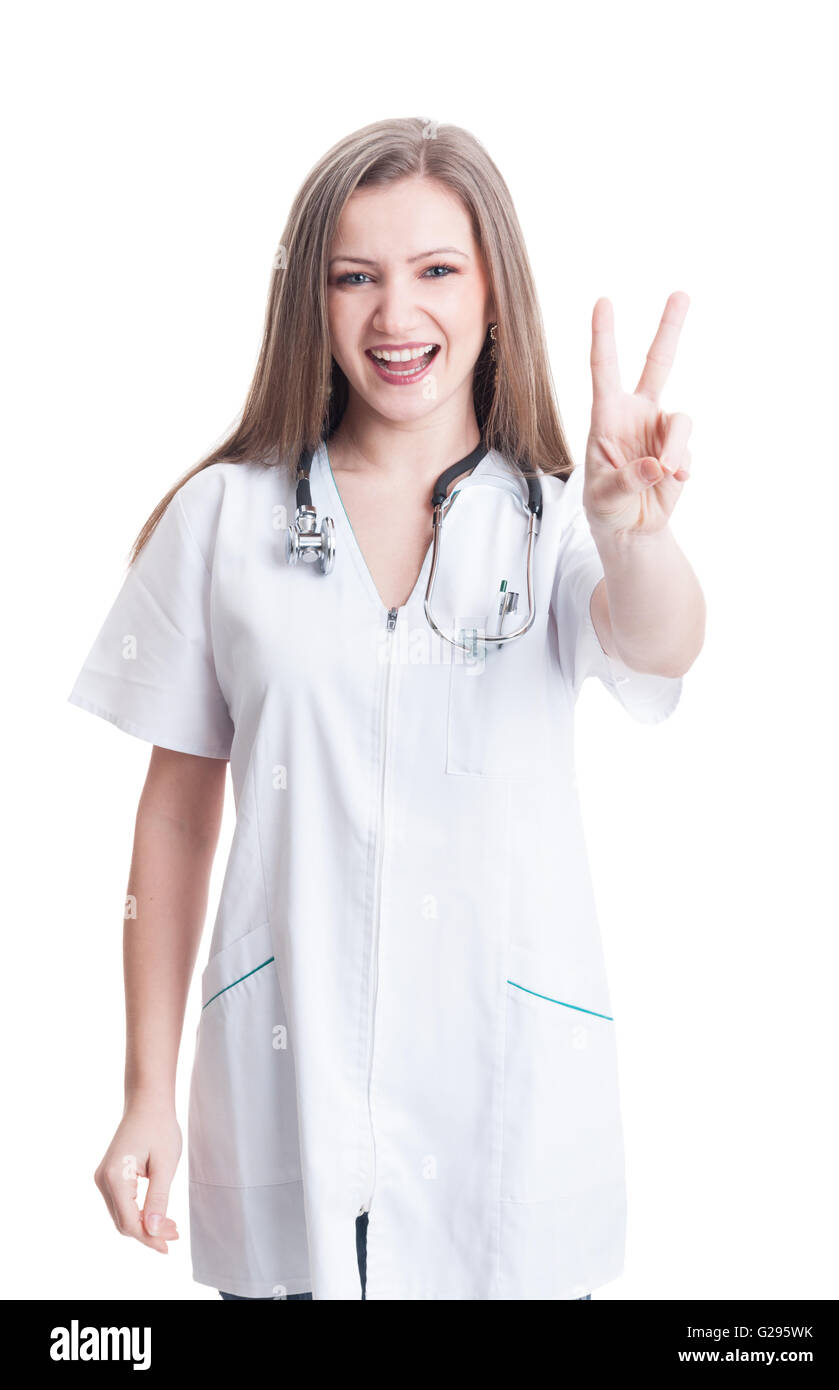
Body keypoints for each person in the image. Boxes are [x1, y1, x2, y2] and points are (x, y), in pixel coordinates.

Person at [69, 117, 705, 1301]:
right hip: (287, 1098)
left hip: (506, 1112)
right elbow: (170, 822)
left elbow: (658, 643)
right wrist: (146, 1086)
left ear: (494, 295)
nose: (392, 315)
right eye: (353, 276)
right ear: (309, 301)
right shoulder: (224, 520)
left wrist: (632, 530)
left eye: (434, 272)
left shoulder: (555, 520)